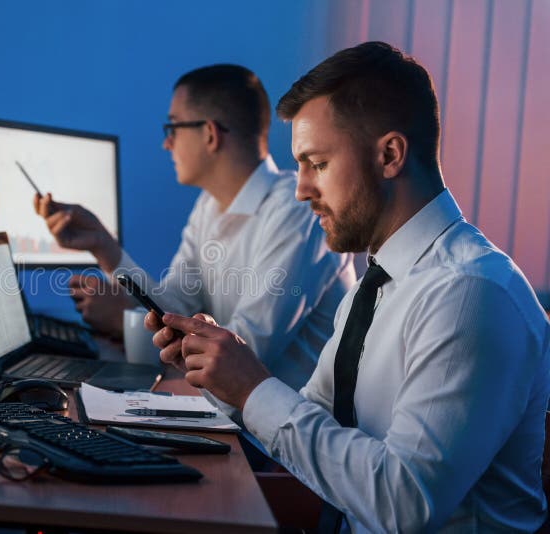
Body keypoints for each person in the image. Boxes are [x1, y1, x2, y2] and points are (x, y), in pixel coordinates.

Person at [149, 42, 550, 531]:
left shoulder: (470, 294)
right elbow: (305, 433)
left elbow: (405, 504)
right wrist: (220, 373)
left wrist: (254, 389)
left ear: (390, 155)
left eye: (316, 164)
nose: (300, 189)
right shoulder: (376, 285)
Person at [35, 64, 355, 390]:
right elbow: (176, 302)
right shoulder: (209, 206)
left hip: (278, 433)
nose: (166, 144)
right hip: (233, 412)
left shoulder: (298, 212)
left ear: (209, 134)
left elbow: (247, 351)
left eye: (173, 128)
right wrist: (103, 246)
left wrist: (123, 322)